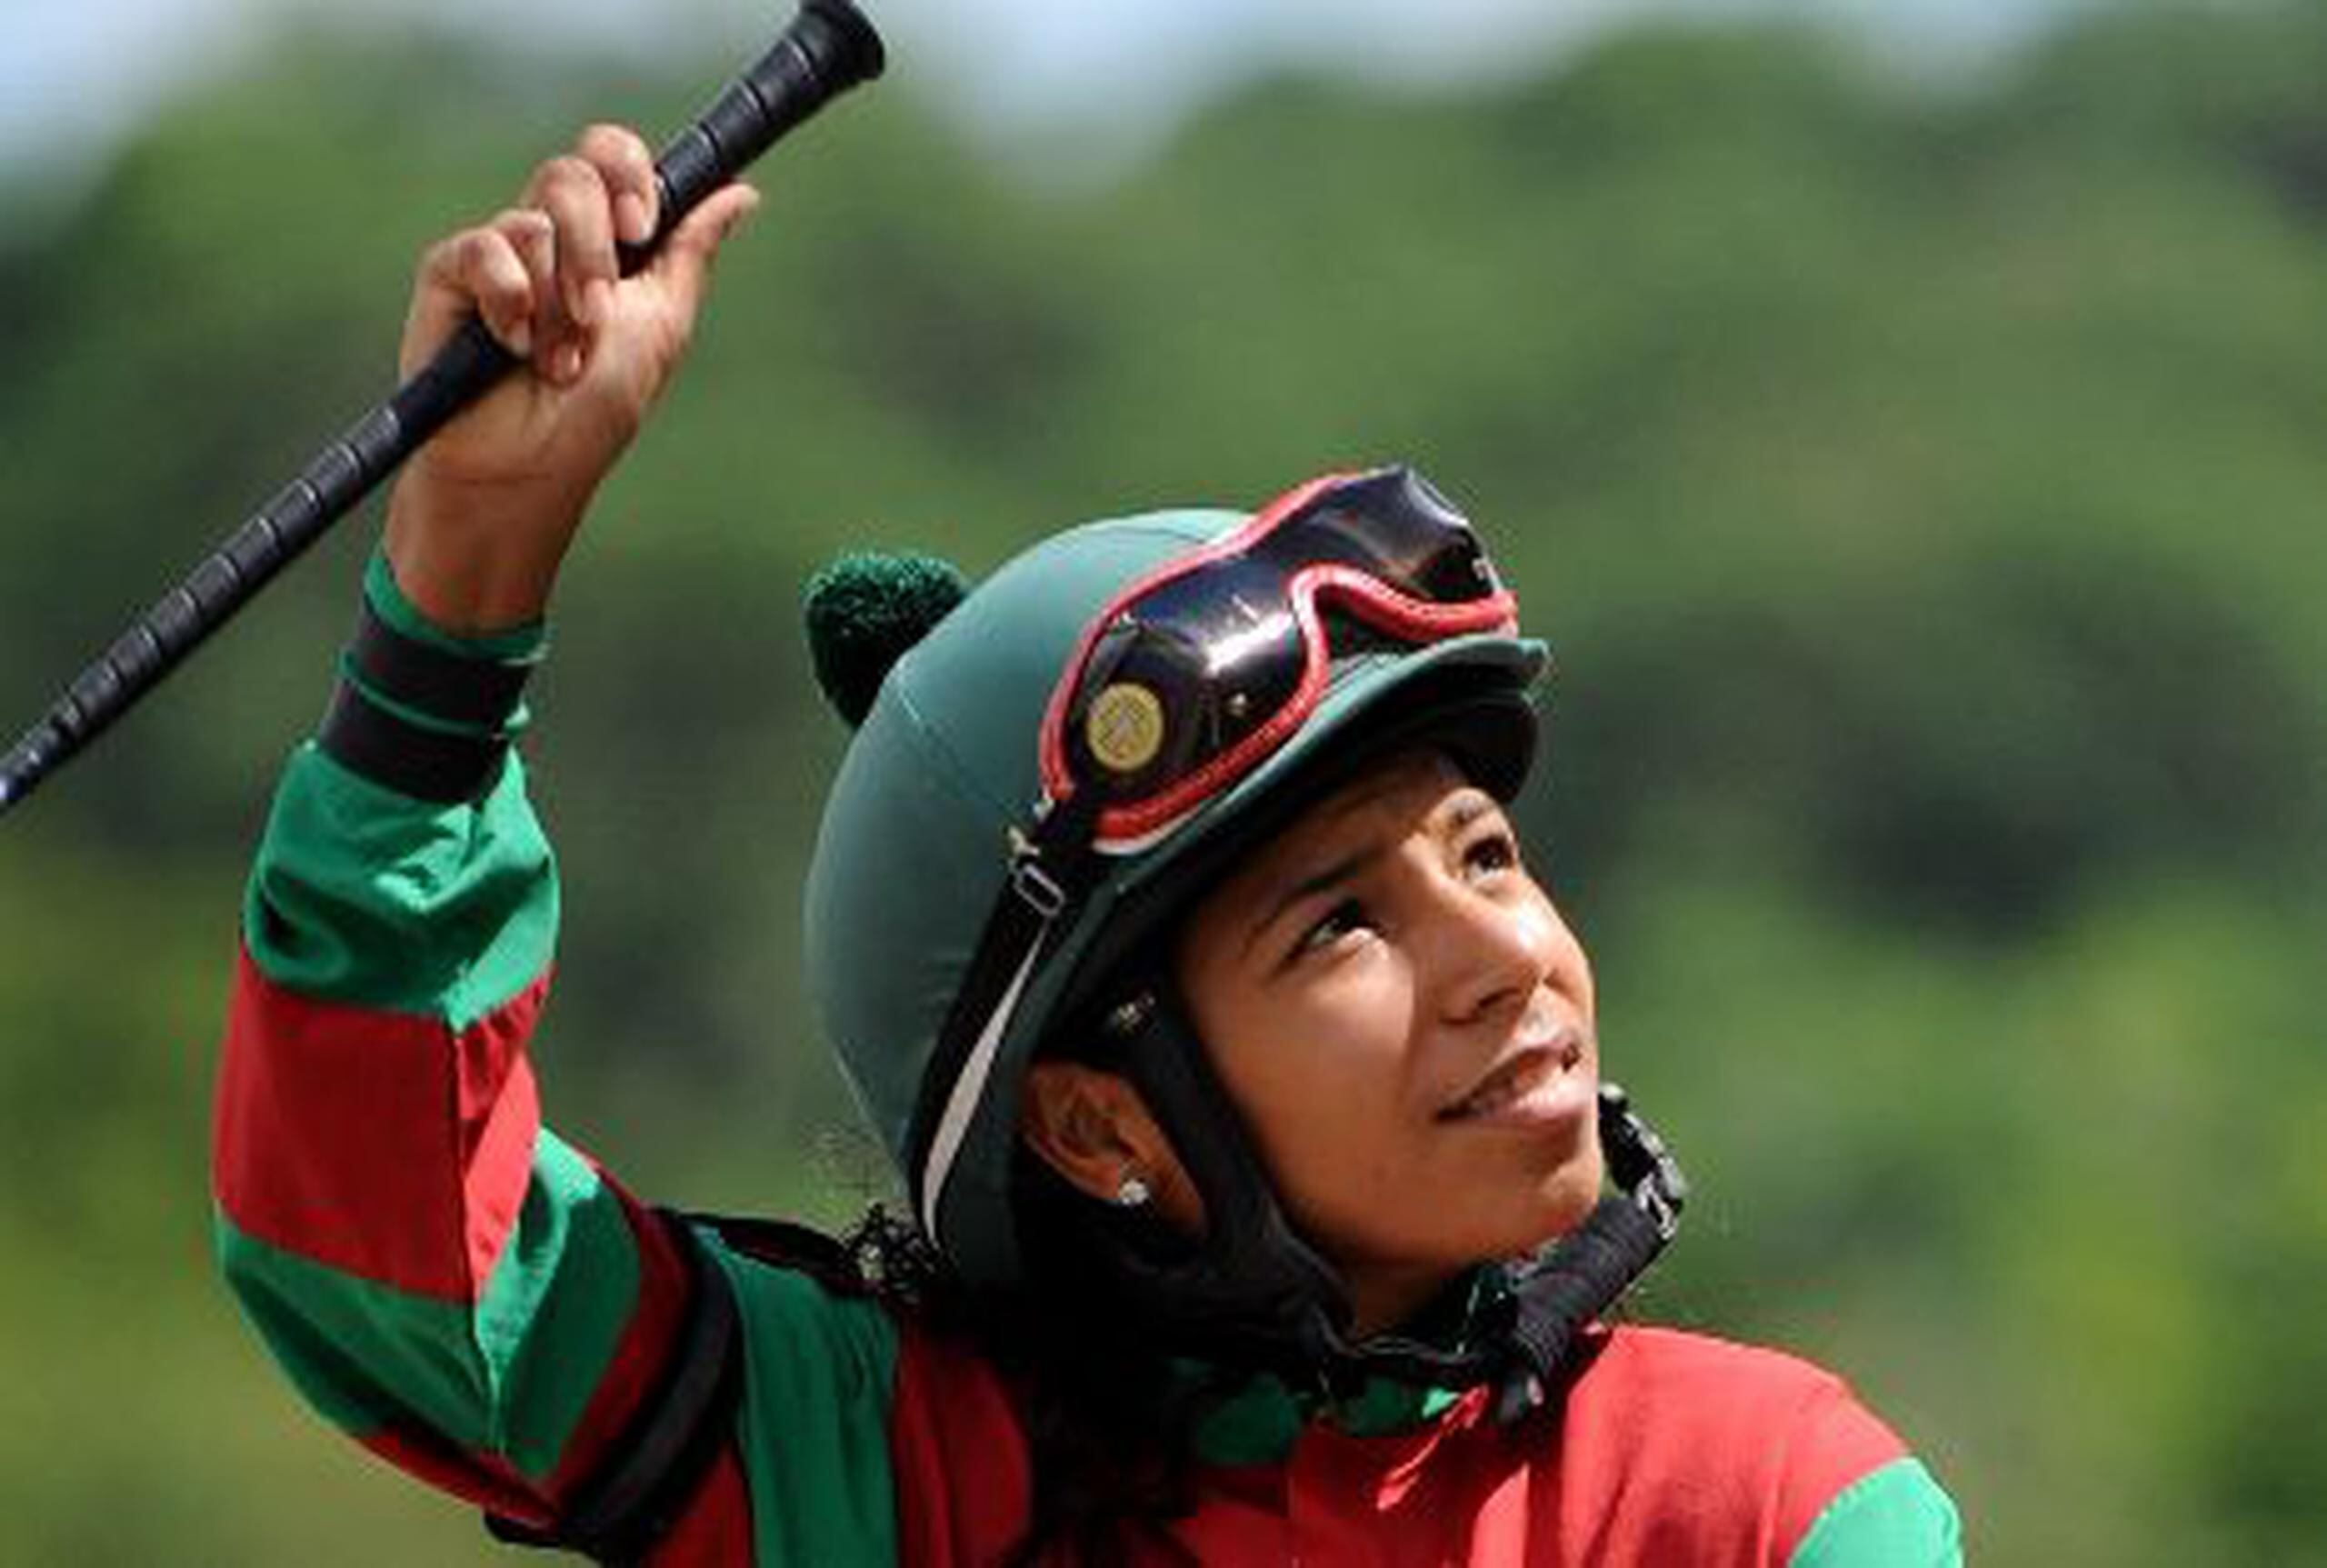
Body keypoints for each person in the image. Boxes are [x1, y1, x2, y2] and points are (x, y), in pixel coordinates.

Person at [212, 126, 1963, 1565]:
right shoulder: (872, 1478)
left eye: (1487, 853)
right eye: (1344, 923)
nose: (1504, 954)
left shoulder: (1767, 1503)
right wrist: (461, 590)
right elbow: (385, 1252)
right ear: (1096, 1119)